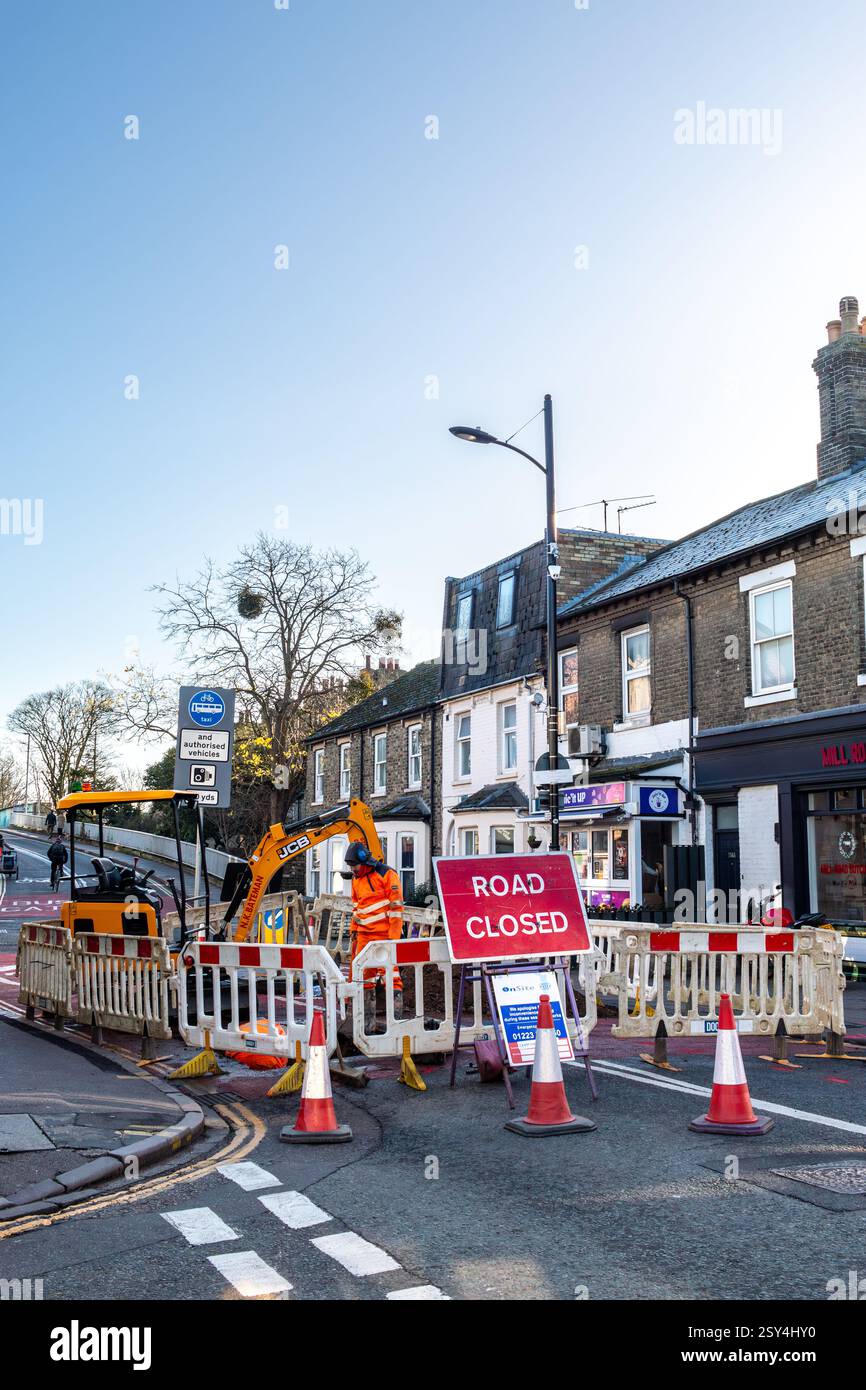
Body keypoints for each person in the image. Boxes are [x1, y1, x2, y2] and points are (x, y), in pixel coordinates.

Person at [345, 841, 404, 995]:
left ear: (364, 861)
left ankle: (395, 1011)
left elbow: (396, 908)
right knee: (364, 974)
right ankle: (366, 1013)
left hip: (384, 934)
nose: (353, 870)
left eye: (354, 866)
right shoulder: (356, 879)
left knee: (390, 972)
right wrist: (354, 929)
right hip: (364, 935)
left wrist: (393, 938)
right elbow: (356, 907)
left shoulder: (387, 874)